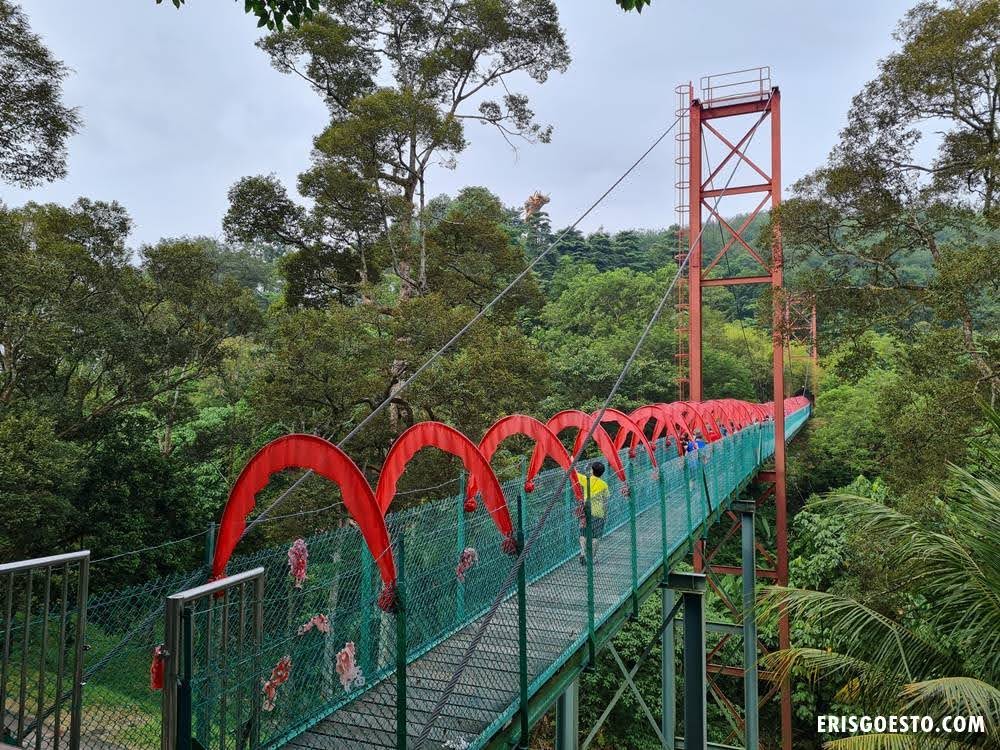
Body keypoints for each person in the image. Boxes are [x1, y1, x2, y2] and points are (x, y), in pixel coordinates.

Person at [576, 461, 609, 565]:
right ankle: (591, 558)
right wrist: (605, 513)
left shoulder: (587, 480)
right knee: (595, 537)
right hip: (599, 512)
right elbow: (606, 500)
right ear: (602, 473)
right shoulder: (604, 485)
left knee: (583, 534)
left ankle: (583, 553)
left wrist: (572, 462)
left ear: (592, 470)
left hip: (586, 512)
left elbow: (574, 474)